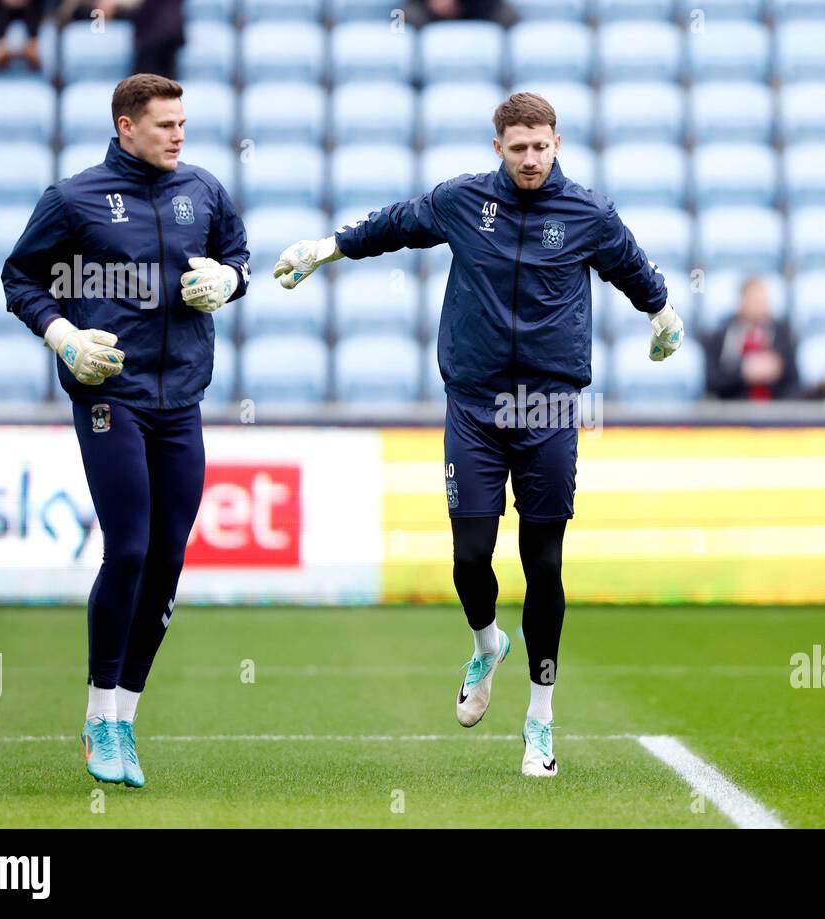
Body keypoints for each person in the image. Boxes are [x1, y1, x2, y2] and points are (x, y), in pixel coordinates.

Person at [273, 92, 683, 778]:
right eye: (518, 147)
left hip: (550, 406)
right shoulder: (463, 201)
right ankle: (487, 642)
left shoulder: (587, 212)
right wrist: (327, 248)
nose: (530, 158)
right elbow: (397, 223)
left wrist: (663, 314)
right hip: (475, 405)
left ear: (557, 143)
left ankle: (541, 720)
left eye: (541, 146)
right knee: (469, 557)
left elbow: (631, 267)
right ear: (499, 147)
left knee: (544, 565)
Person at [2, 73, 250, 788]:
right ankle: (95, 713)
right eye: (165, 124)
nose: (179, 134)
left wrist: (229, 281)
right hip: (110, 390)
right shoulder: (73, 199)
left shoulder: (201, 189)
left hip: (184, 400)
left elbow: (238, 257)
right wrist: (61, 334)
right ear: (125, 126)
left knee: (168, 557)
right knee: (132, 547)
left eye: (183, 123)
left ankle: (124, 719)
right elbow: (20, 278)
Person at [704, 276, 797, 400]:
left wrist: (776, 370)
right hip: (734, 412)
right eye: (755, 302)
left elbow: (794, 382)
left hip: (774, 412)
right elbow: (712, 381)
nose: (761, 307)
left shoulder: (782, 336)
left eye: (763, 302)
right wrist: (743, 372)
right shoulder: (721, 337)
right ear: (742, 302)